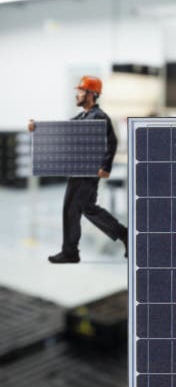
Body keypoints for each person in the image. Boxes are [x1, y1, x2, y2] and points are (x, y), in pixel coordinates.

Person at [28, 75, 128, 264]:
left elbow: (112, 142)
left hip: (88, 173)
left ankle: (72, 251)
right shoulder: (84, 115)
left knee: (75, 209)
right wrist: (37, 127)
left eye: (81, 91)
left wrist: (105, 167)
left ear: (91, 94)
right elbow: (62, 128)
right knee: (84, 208)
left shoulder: (98, 116)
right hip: (80, 170)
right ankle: (124, 237)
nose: (77, 95)